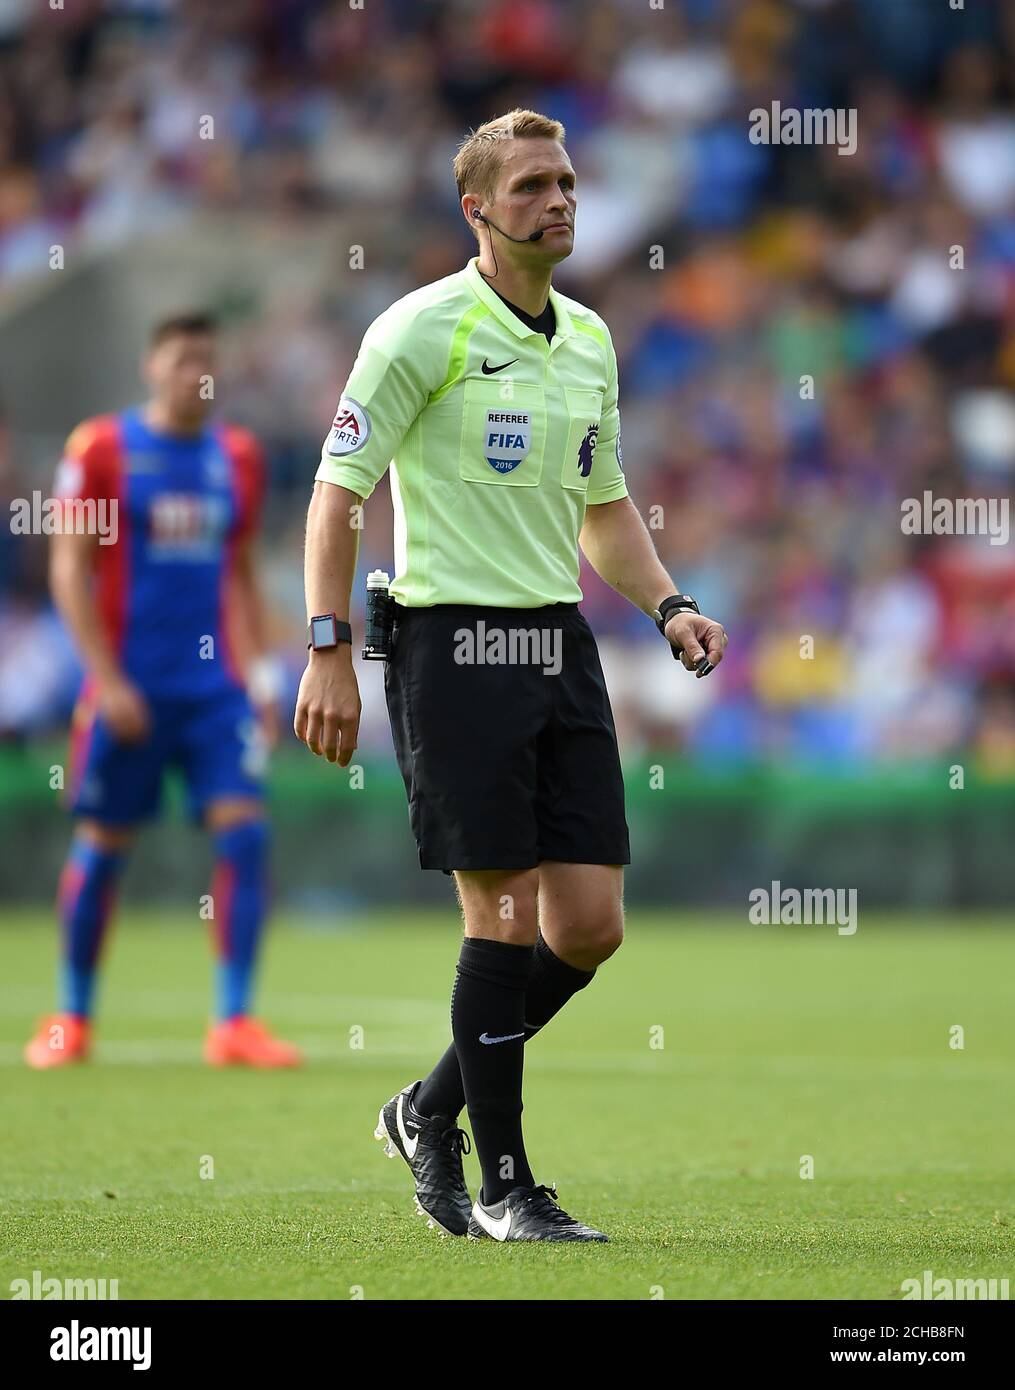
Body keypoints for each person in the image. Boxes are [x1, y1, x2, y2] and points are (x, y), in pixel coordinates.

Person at [294, 110, 726, 1240]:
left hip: (557, 645)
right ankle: (504, 1187)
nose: (561, 200)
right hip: (450, 645)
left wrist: (669, 604)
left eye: (569, 182)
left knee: (587, 927)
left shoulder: (587, 338)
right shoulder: (417, 330)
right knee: (499, 914)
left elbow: (603, 507)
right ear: (477, 208)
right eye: (533, 184)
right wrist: (327, 646)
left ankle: (425, 1109)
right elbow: (337, 494)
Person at [24, 313, 301, 1070]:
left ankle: (233, 1022)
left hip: (213, 693)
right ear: (152, 367)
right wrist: (105, 680)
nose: (197, 376)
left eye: (208, 362)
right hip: (130, 689)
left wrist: (261, 676)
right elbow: (67, 569)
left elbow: (240, 574)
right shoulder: (103, 449)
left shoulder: (237, 456)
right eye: (183, 361)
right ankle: (71, 1018)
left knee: (245, 836)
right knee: (105, 845)